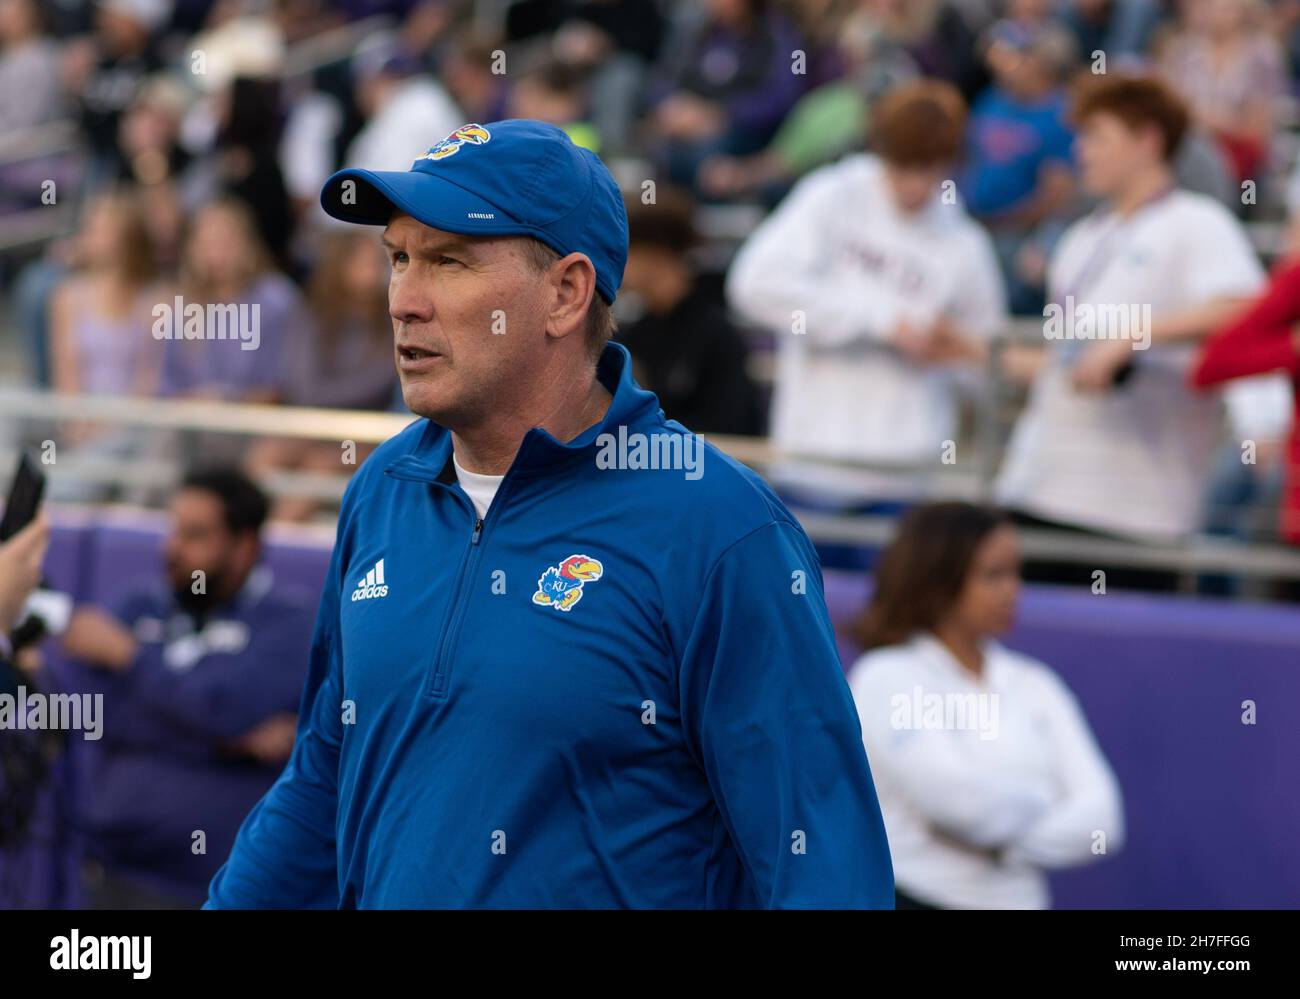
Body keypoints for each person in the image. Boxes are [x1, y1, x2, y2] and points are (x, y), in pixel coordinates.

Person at [207, 119, 893, 909]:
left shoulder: (721, 529)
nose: (404, 300)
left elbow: (822, 862)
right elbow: (324, 777)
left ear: (565, 293)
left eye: (449, 260)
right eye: (398, 257)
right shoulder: (383, 489)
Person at [994, 73, 1290, 588]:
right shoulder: (1083, 236)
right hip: (1042, 490)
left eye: (1097, 137)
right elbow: (1072, 355)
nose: (1081, 152)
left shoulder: (1197, 223)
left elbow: (1246, 310)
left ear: (1148, 141)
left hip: (1136, 514)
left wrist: (1134, 337)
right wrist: (989, 357)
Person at [726, 80, 1005, 525]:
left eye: (929, 169)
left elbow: (989, 365)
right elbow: (753, 284)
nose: (915, 184)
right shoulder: (831, 194)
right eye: (902, 167)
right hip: (812, 461)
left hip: (904, 475)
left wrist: (950, 351)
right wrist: (881, 322)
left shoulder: (965, 242)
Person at [56, 469, 316, 908]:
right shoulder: (138, 606)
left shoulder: (291, 623)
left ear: (244, 547)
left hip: (224, 888)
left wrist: (131, 660)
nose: (173, 547)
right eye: (174, 529)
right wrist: (225, 742)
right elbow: (90, 714)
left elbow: (228, 707)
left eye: (195, 535)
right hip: (112, 877)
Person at [846, 502, 1125, 909]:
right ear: (939, 579)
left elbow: (1103, 820)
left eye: (1016, 573)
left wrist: (1002, 848)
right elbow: (955, 799)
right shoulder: (886, 675)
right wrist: (1045, 800)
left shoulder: (1036, 682)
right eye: (993, 575)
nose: (1013, 590)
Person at [616, 191, 763, 435]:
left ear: (656, 252)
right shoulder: (635, 332)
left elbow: (734, 426)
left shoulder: (716, 333)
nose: (615, 263)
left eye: (625, 251)